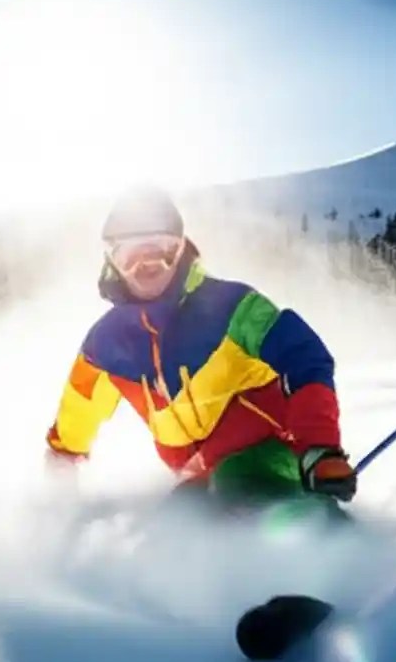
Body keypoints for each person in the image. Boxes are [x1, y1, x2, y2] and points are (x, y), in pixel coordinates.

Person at [43, 187, 357, 515]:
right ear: (112, 261)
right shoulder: (106, 345)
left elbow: (304, 356)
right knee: (179, 518)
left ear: (181, 250)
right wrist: (62, 465)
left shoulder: (231, 308)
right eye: (130, 255)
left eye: (161, 250)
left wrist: (319, 448)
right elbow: (79, 408)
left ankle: (337, 552)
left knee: (239, 483)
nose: (147, 265)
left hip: (274, 448)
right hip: (199, 470)